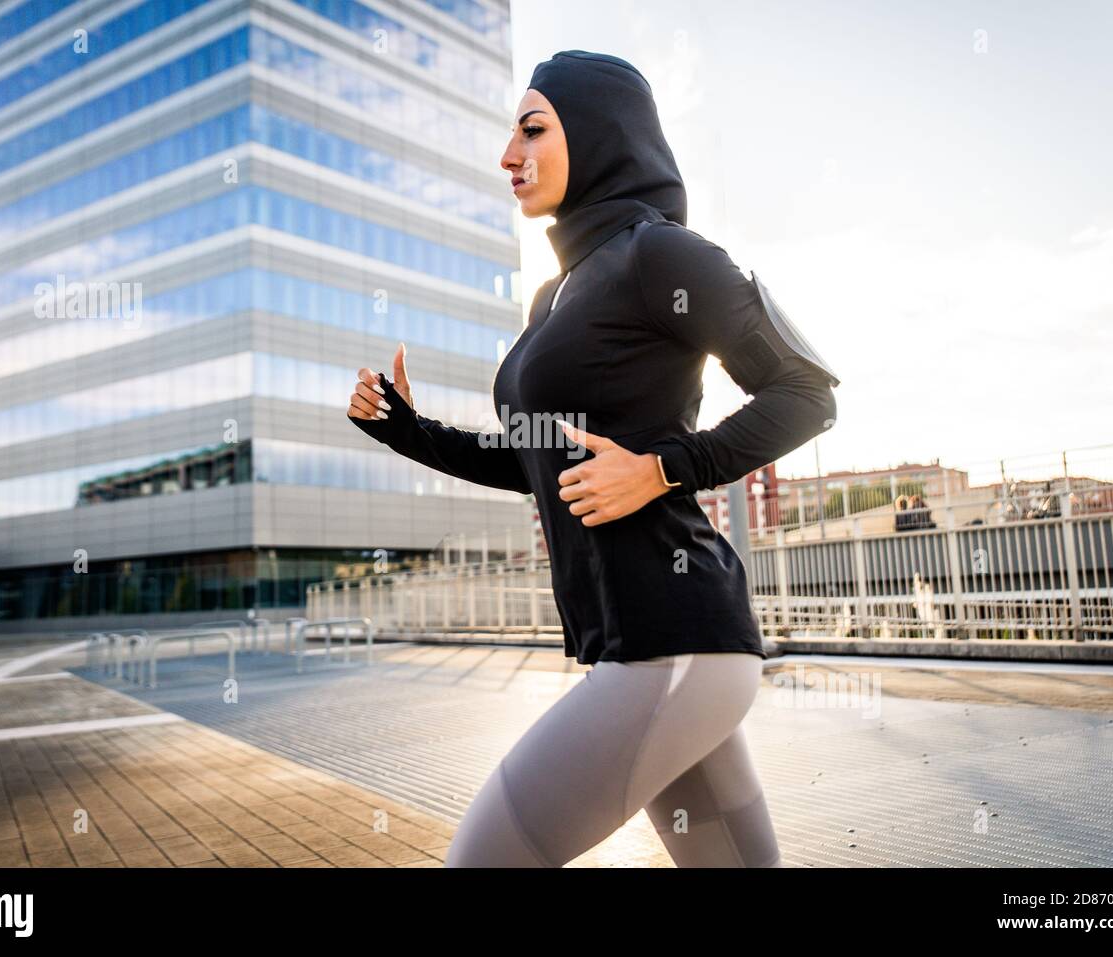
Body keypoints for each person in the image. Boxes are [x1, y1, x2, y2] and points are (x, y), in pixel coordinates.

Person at [346, 50, 840, 867]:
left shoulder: (663, 256)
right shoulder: (554, 295)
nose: (509, 154)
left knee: (481, 859)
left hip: (676, 642)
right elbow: (534, 460)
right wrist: (408, 428)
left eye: (532, 128)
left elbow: (807, 393)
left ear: (602, 135)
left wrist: (661, 467)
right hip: (635, 649)